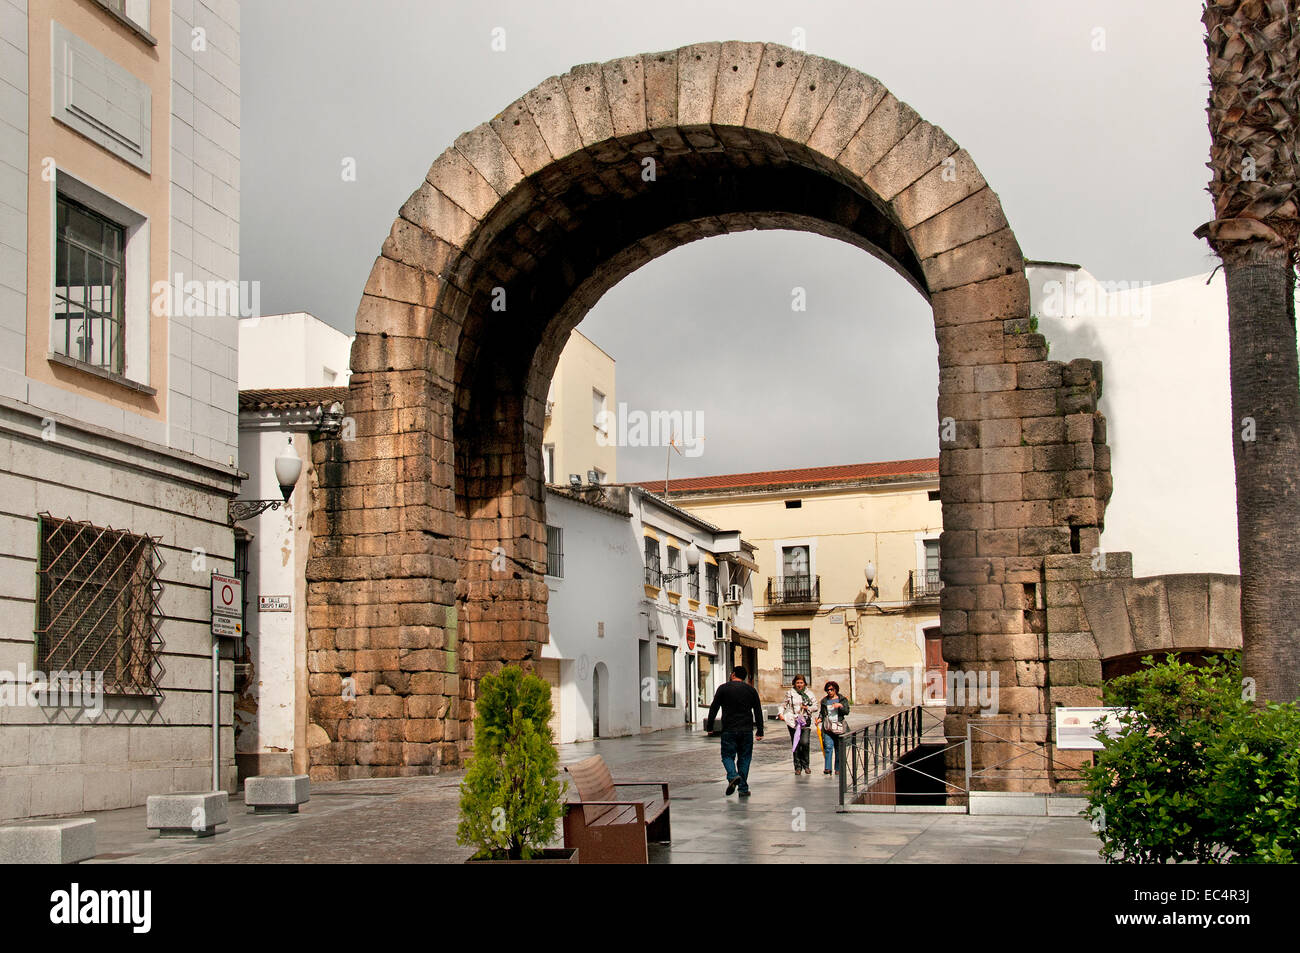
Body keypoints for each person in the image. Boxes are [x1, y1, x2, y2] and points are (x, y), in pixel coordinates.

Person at [705, 665, 765, 797]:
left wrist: (710, 726)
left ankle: (732, 775)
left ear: (733, 674)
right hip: (746, 730)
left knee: (727, 756)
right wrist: (760, 730)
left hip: (729, 729)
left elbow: (714, 708)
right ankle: (743, 788)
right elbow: (758, 711)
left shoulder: (723, 688)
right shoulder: (751, 690)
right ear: (744, 677)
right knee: (744, 758)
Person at [779, 675, 816, 775]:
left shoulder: (809, 694)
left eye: (801, 683)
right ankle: (798, 767)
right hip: (793, 722)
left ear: (804, 683)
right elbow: (783, 705)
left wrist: (807, 708)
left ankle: (806, 765)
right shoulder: (790, 693)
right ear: (794, 683)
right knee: (796, 744)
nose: (799, 685)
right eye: (797, 683)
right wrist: (781, 714)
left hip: (805, 721)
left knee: (805, 742)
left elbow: (815, 706)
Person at [816, 681, 851, 775]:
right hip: (828, 726)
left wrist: (840, 706)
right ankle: (827, 768)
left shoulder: (842, 699)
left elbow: (847, 711)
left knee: (839, 748)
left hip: (839, 726)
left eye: (831, 689)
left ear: (836, 689)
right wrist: (819, 719)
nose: (829, 691)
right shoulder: (824, 701)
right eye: (828, 690)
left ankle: (838, 769)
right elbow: (822, 712)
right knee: (828, 746)